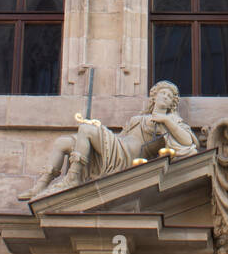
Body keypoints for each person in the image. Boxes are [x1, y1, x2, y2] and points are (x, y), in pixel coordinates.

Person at [19, 79, 197, 201]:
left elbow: (188, 141)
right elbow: (123, 136)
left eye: (169, 96)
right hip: (118, 145)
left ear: (172, 103)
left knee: (86, 129)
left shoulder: (171, 121)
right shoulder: (140, 118)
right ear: (154, 96)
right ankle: (41, 185)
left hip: (127, 156)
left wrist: (166, 120)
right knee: (63, 143)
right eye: (162, 94)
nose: (165, 97)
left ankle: (72, 178)